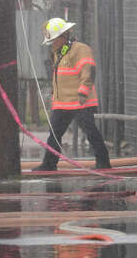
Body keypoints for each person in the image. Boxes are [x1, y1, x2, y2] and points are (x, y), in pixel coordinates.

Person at [34, 17, 111, 171]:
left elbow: (88, 72)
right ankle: (49, 164)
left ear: (63, 36)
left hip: (79, 101)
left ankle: (103, 163)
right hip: (63, 102)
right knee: (55, 133)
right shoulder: (59, 52)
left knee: (90, 131)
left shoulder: (80, 49)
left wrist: (83, 93)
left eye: (54, 40)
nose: (52, 43)